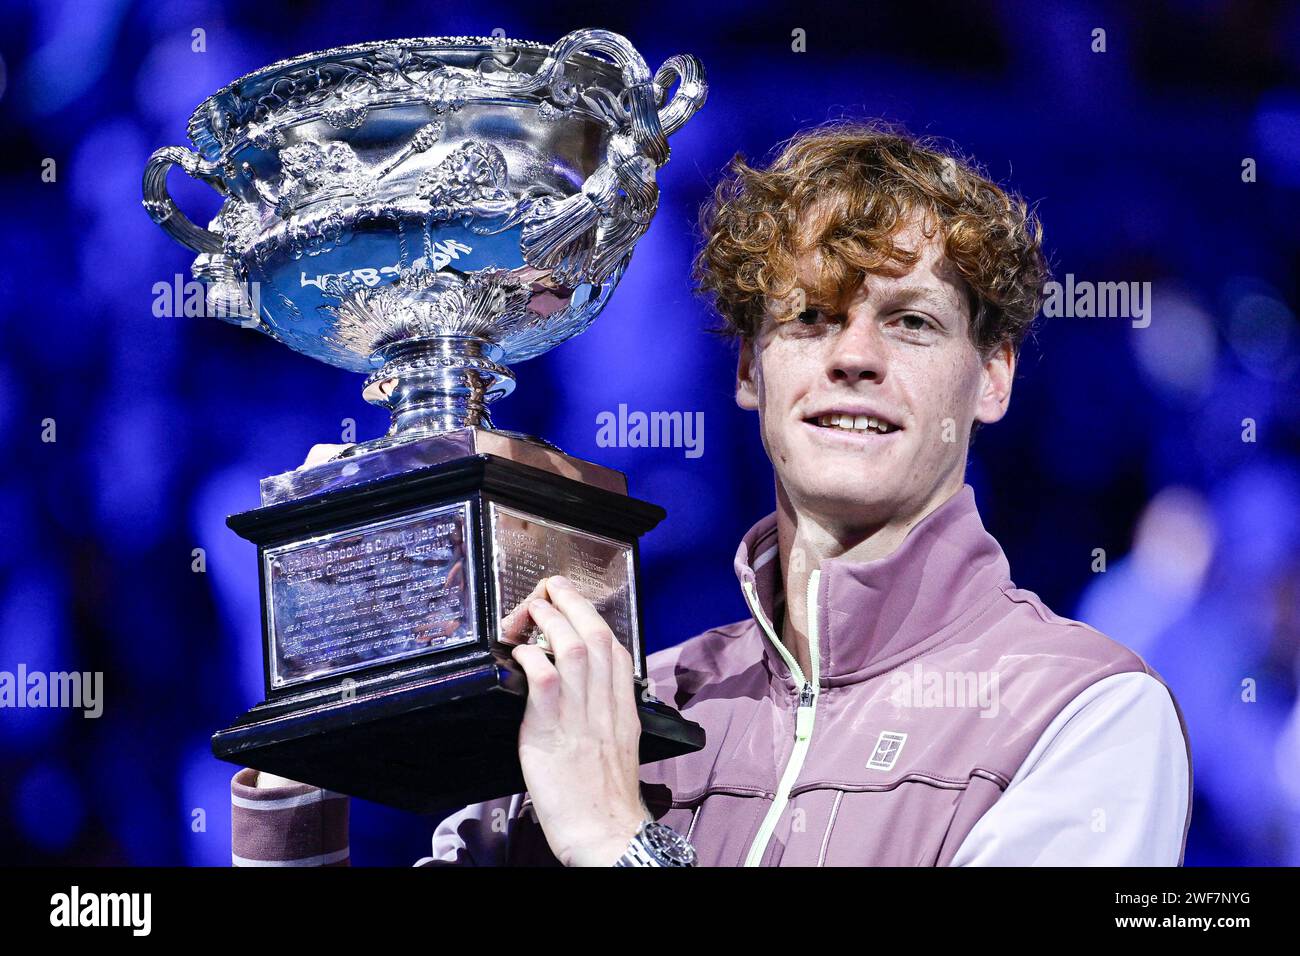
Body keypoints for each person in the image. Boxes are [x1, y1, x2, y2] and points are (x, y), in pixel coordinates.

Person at [229, 120, 1192, 867]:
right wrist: (300, 788)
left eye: (909, 322)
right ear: (749, 370)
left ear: (993, 377)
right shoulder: (612, 702)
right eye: (810, 318)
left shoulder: (1085, 712)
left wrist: (619, 840)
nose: (853, 356)